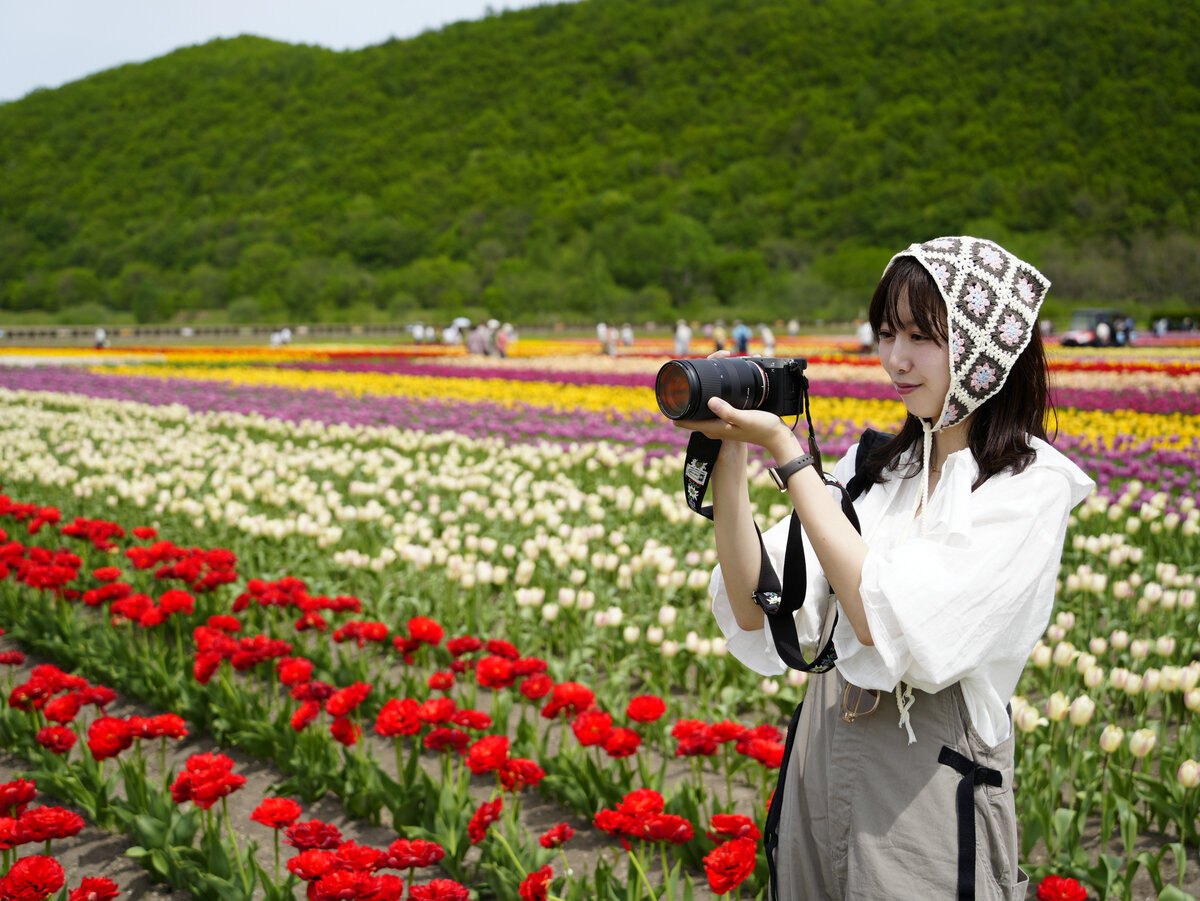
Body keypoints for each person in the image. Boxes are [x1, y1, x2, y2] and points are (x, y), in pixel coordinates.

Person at [675, 237, 1093, 899]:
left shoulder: (1026, 488)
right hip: (821, 750)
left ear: (986, 347)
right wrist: (730, 462)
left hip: (926, 780)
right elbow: (760, 604)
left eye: (923, 337)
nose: (896, 359)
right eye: (887, 332)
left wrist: (789, 454)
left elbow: (895, 625)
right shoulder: (874, 470)